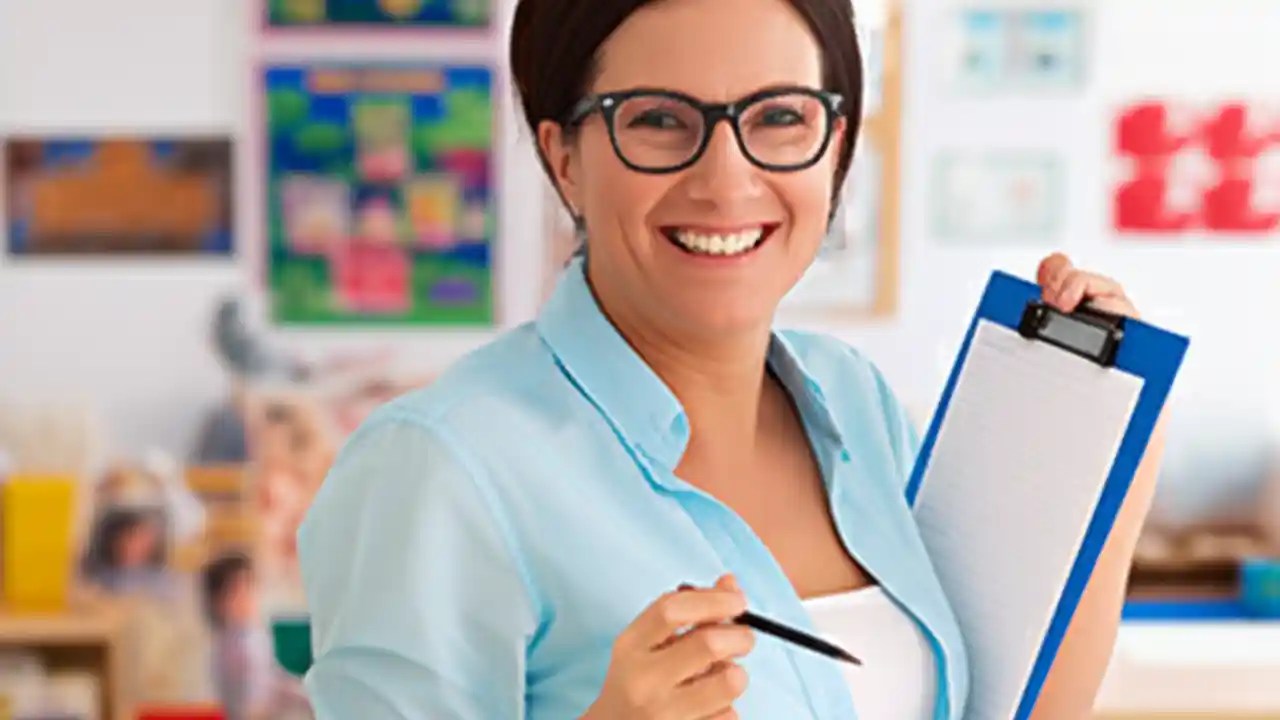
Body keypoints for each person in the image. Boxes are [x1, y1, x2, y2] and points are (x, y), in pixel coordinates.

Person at [298, 0, 1165, 717]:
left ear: (836, 148)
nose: (726, 178)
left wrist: (1117, 450)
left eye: (781, 117)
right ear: (564, 159)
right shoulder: (439, 467)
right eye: (660, 121)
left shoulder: (855, 401)